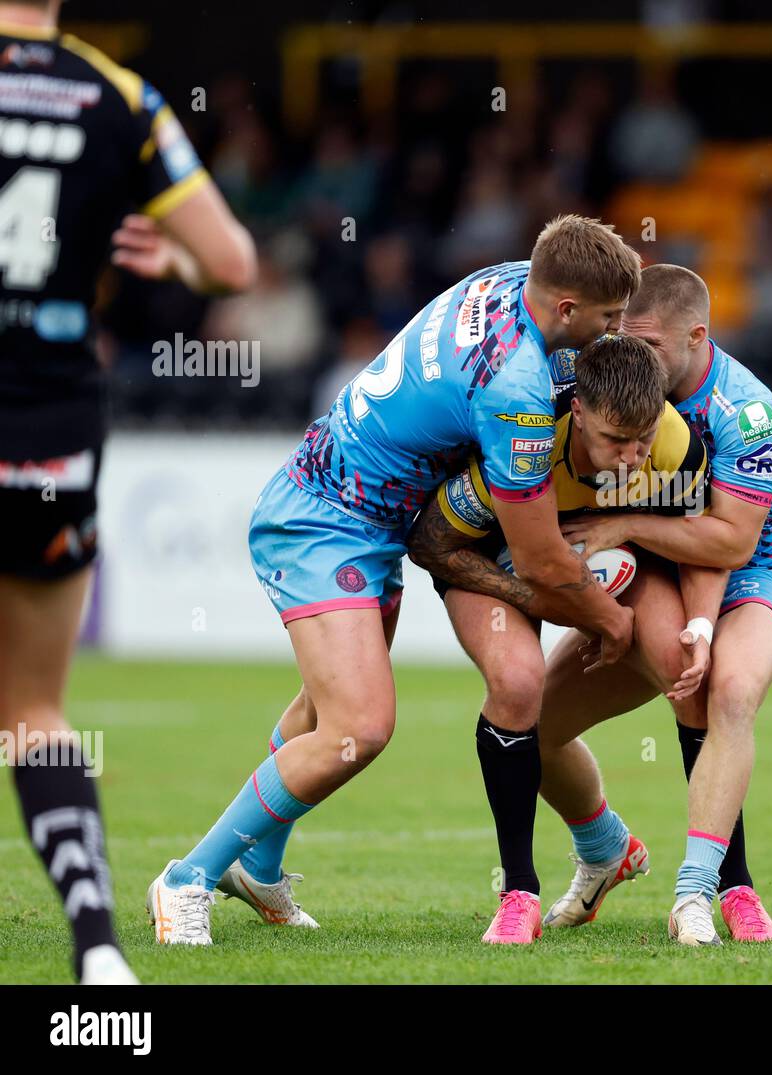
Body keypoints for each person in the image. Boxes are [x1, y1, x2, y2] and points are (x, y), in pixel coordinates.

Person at [148, 216, 640, 946]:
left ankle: (260, 870)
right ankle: (187, 877)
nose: (615, 329)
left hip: (364, 513)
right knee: (360, 727)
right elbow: (540, 560)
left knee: (320, 712)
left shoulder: (510, 281)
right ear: (566, 308)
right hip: (324, 522)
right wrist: (609, 618)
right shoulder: (515, 387)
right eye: (609, 317)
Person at [0, 0, 255, 982]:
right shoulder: (121, 98)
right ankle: (98, 947)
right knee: (34, 708)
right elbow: (231, 262)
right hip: (50, 423)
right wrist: (178, 255)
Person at [403, 330, 717, 943]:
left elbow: (702, 545)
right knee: (517, 685)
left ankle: (728, 887)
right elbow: (432, 544)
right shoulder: (525, 438)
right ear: (578, 412)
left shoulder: (676, 447)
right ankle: (519, 893)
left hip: (596, 556)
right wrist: (550, 600)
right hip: (489, 556)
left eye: (642, 438)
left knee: (685, 668)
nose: (631, 457)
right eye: (615, 440)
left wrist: (696, 622)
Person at [541, 264, 772, 945]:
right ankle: (606, 848)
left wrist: (624, 525)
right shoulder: (600, 382)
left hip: (750, 579)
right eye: (627, 339)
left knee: (730, 691)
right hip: (650, 573)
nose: (636, 357)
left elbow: (733, 540)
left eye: (651, 345)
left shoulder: (745, 410)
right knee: (528, 726)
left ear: (697, 336)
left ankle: (708, 892)